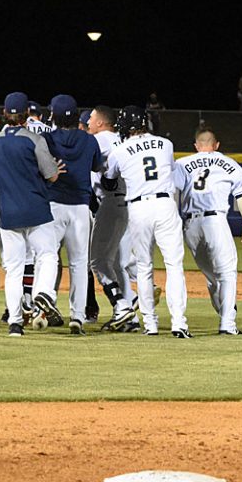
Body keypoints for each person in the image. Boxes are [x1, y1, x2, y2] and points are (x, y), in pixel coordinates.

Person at [104, 105, 190, 338]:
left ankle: (150, 324)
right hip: (165, 204)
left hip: (138, 207)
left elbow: (109, 181)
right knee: (174, 265)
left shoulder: (119, 150)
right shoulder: (166, 144)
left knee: (144, 267)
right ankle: (179, 323)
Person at [0, 92, 64, 337]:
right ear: (26, 115)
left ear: (4, 114)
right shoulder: (34, 139)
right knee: (48, 255)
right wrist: (52, 171)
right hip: (35, 207)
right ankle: (43, 293)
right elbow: (52, 175)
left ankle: (15, 323)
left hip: (8, 212)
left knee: (14, 270)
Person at [173, 126, 242, 335]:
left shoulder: (181, 163)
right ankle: (227, 323)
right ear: (216, 145)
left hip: (191, 225)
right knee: (227, 272)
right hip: (215, 221)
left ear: (196, 145)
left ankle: (225, 314)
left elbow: (174, 193)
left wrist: (173, 221)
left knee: (211, 276)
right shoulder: (229, 163)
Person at [41, 94, 104, 334]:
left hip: (53, 205)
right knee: (79, 263)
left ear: (53, 116)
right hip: (80, 207)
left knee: (47, 257)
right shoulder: (89, 140)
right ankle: (77, 316)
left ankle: (44, 301)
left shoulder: (47, 139)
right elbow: (97, 166)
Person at [87, 105, 138, 331]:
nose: (88, 122)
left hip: (109, 202)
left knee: (98, 261)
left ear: (100, 122)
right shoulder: (123, 140)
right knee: (117, 264)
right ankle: (132, 317)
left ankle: (121, 306)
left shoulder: (99, 140)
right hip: (127, 203)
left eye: (91, 118)